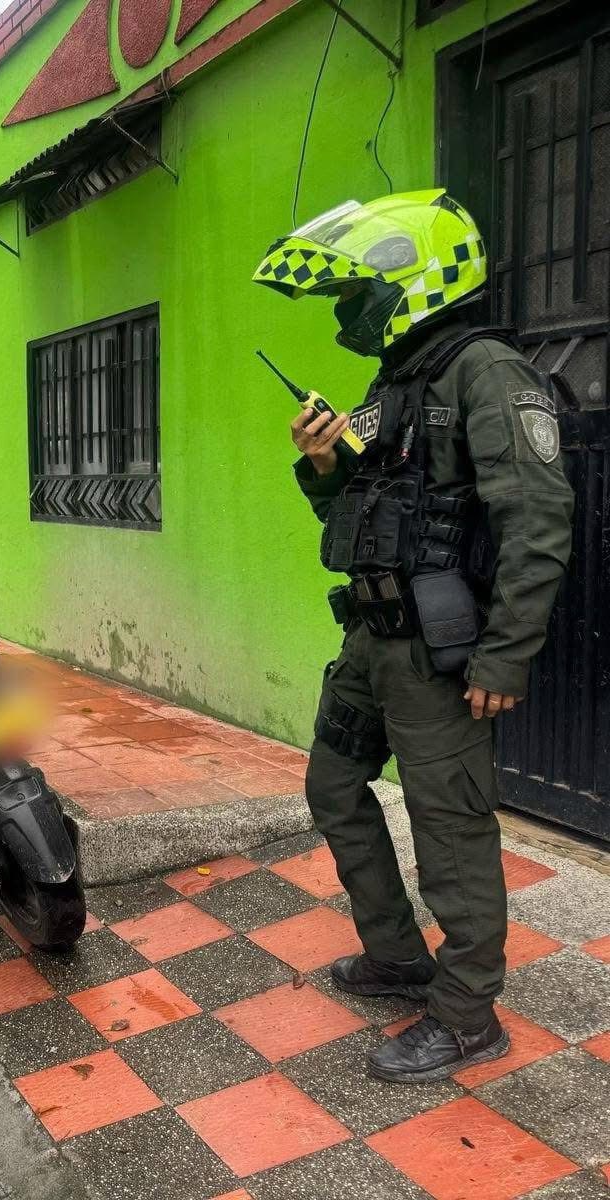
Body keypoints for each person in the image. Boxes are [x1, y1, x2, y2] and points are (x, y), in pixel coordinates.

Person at [254, 190, 573, 1082]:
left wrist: (507, 653)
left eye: (363, 289)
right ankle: (397, 957)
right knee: (332, 781)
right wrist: (326, 462)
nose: (353, 309)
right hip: (372, 638)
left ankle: (468, 1015)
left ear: (418, 277)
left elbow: (539, 515)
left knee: (450, 828)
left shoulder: (488, 371)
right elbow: (366, 510)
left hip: (442, 652)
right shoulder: (398, 379)